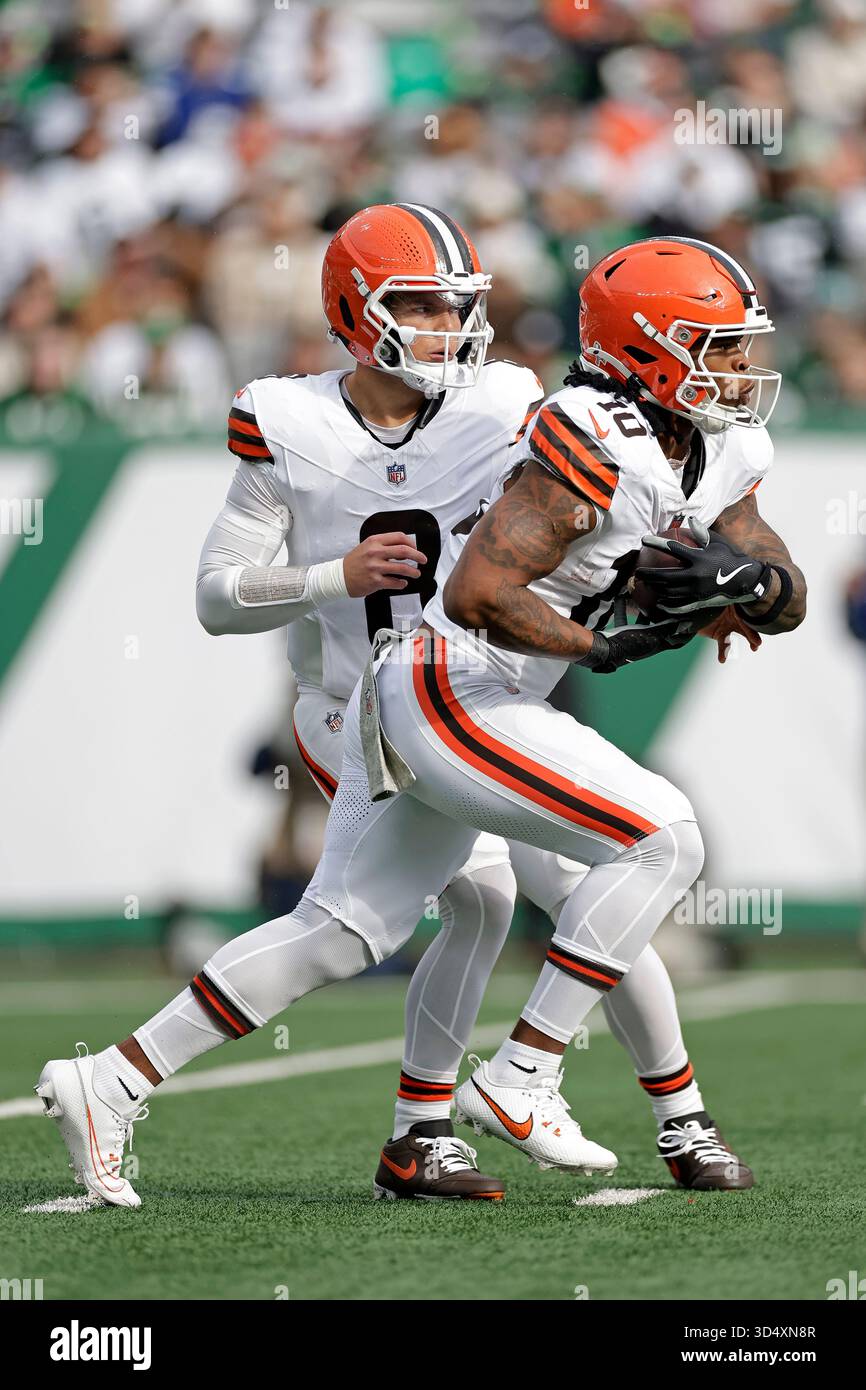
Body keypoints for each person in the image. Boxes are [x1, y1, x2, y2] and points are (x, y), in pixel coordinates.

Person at [35, 233, 805, 1207]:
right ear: (358, 309)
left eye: (456, 304)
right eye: (422, 305)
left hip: (469, 690)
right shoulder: (289, 417)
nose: (449, 326)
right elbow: (221, 597)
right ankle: (525, 1089)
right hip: (371, 693)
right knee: (620, 852)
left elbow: (673, 518)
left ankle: (122, 1082)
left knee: (350, 927)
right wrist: (333, 576)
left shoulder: (504, 403)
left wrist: (747, 584)